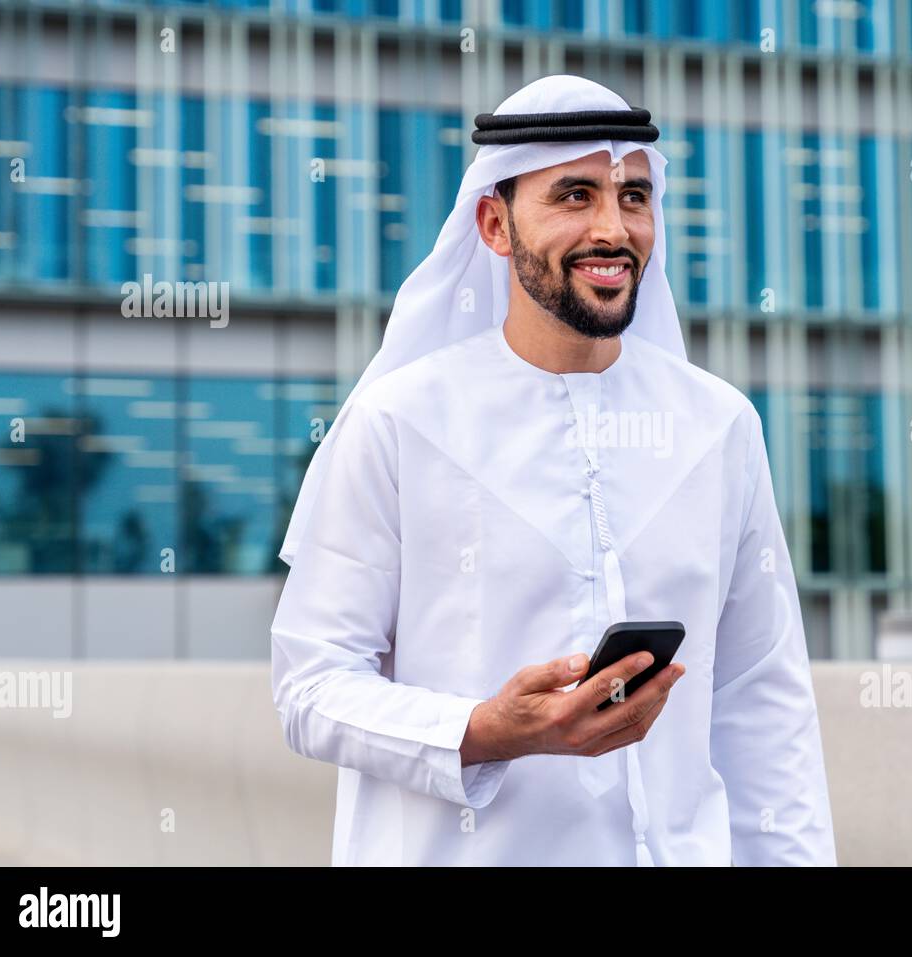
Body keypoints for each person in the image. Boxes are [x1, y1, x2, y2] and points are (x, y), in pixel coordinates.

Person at [270, 74, 837, 866]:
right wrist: (485, 730)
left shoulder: (720, 427)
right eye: (575, 195)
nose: (613, 227)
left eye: (633, 197)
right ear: (495, 225)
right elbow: (310, 685)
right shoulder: (398, 423)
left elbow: (763, 704)